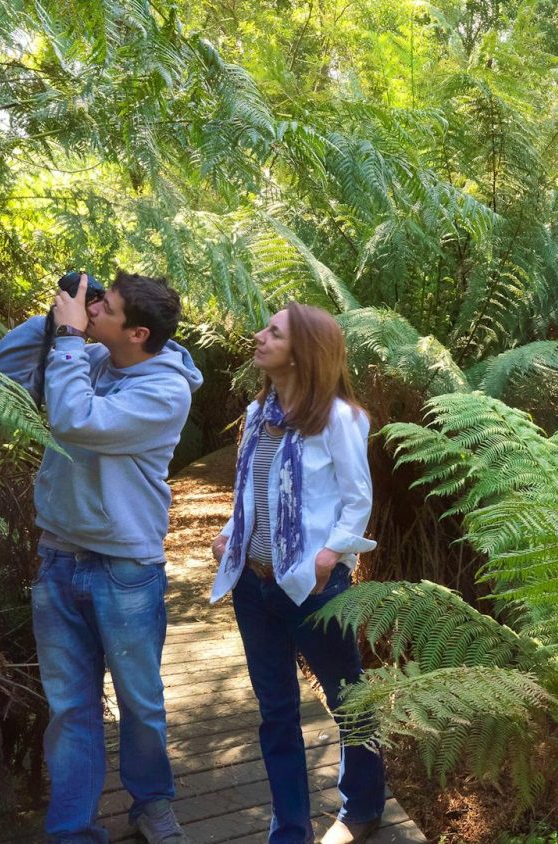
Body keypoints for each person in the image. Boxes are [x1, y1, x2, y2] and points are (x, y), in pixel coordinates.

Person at [0, 271, 203, 844]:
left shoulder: (165, 390)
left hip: (123, 568)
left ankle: (152, 802)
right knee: (69, 709)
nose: (95, 309)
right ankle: (72, 831)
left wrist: (66, 339)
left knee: (141, 703)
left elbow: (75, 420)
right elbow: (0, 378)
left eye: (107, 306)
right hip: (58, 557)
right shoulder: (94, 359)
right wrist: (55, 316)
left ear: (137, 333)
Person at [209, 302, 385, 844]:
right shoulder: (258, 413)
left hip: (312, 588)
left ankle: (362, 808)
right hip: (253, 583)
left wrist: (328, 556)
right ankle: (289, 829)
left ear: (303, 351)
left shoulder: (339, 418)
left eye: (273, 332)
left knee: (348, 701)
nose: (258, 336)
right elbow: (251, 490)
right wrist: (231, 531)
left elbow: (358, 500)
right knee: (276, 711)